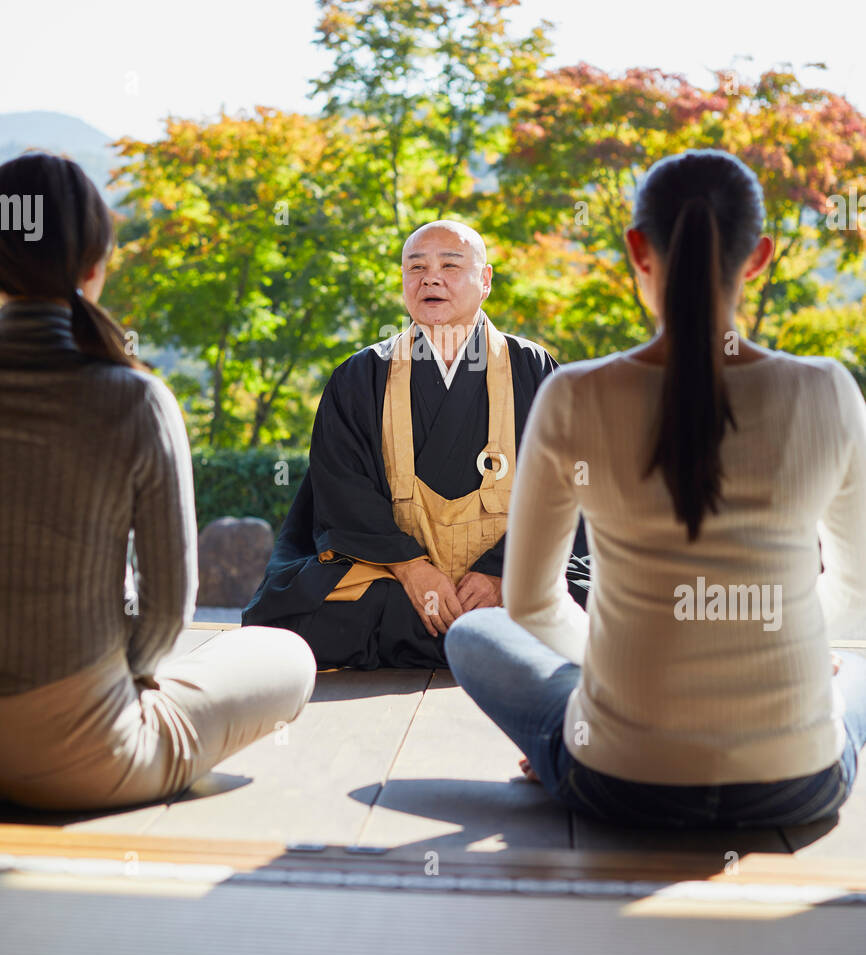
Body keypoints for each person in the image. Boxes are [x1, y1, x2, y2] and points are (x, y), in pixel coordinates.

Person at [444, 149, 866, 828]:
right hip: (795, 785)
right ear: (758, 258)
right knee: (854, 670)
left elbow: (529, 602)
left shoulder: (574, 394)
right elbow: (856, 593)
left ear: (638, 249)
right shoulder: (827, 391)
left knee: (476, 633)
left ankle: (584, 723)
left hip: (620, 777)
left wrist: (606, 683)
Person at [0, 152, 316, 812]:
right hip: (84, 759)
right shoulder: (134, 399)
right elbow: (169, 613)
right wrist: (117, 673)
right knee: (287, 656)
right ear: (95, 265)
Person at [243, 220, 590, 669]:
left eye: (450, 264)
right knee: (287, 615)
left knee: (599, 596)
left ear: (485, 281)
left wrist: (502, 574)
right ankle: (488, 640)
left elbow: (564, 489)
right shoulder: (361, 375)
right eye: (416, 267)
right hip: (393, 575)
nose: (431, 278)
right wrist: (412, 569)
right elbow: (342, 486)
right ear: (404, 281)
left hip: (511, 575)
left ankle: (455, 631)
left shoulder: (533, 368)